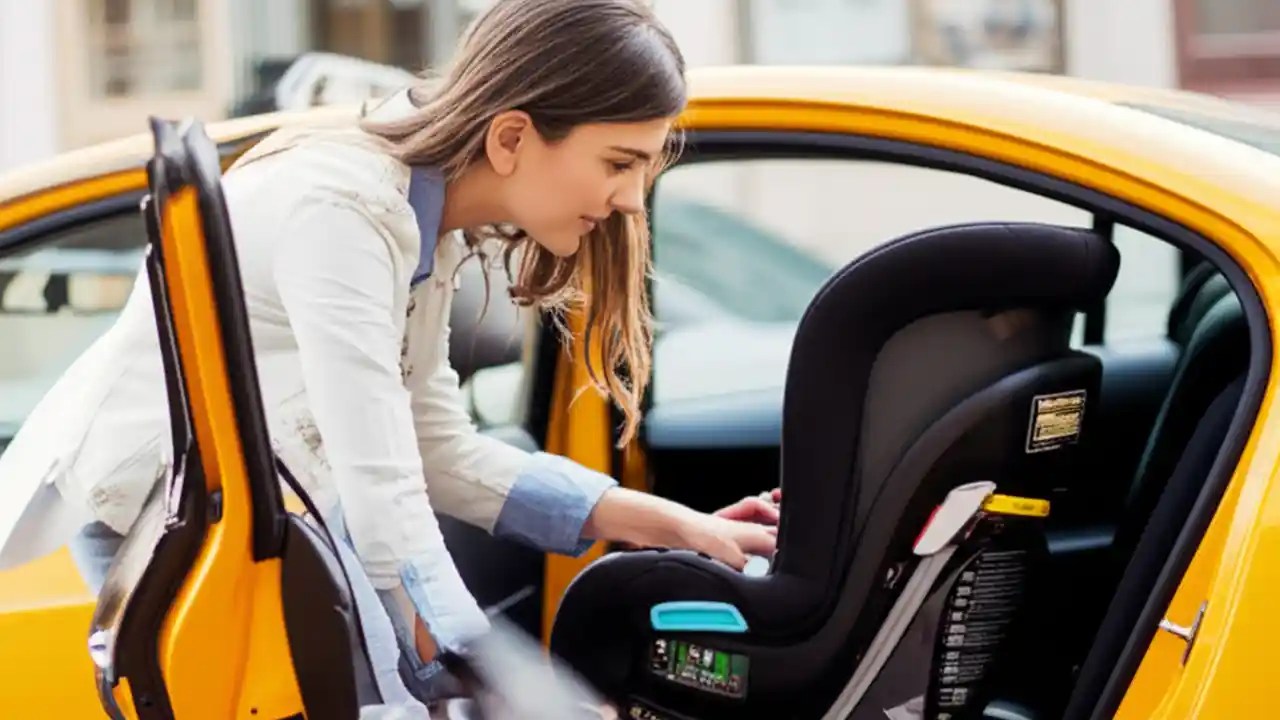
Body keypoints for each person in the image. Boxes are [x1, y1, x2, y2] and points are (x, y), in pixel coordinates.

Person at [0, 0, 781, 717]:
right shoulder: (346, 211)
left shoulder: (421, 219)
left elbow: (433, 445)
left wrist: (663, 523)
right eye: (620, 163)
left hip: (291, 510)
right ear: (511, 137)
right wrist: (508, 685)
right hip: (180, 530)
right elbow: (385, 487)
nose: (633, 200)